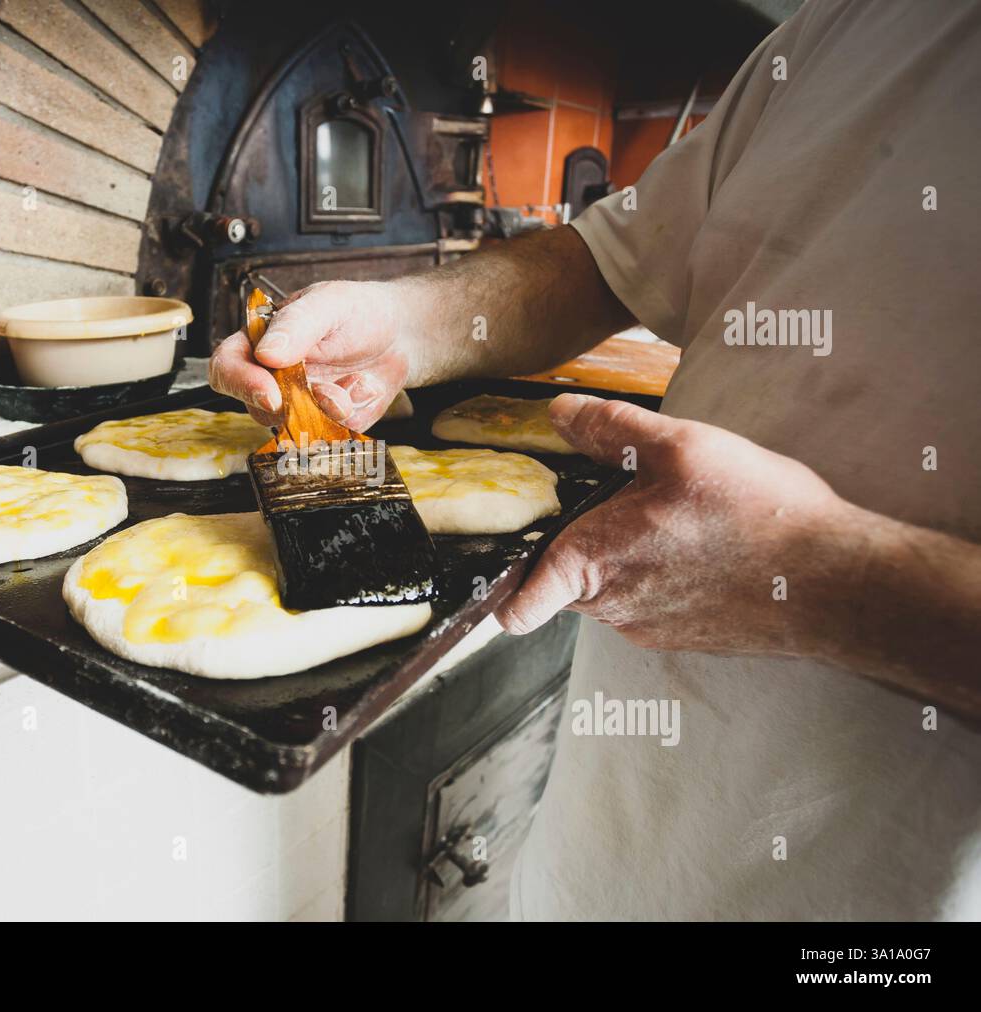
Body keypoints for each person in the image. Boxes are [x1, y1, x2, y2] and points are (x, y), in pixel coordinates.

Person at [211, 0, 981, 919]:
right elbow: (604, 263)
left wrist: (817, 580)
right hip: (606, 843)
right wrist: (404, 327)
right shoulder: (854, 25)